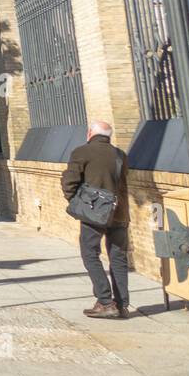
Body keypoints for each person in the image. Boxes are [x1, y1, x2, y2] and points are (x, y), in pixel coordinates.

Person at [62, 120, 130, 320]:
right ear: (109, 135)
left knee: (90, 253)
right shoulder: (120, 155)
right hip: (120, 213)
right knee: (118, 258)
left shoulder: (81, 152)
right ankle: (122, 305)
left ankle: (105, 301)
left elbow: (69, 181)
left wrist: (76, 202)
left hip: (94, 212)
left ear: (90, 133)